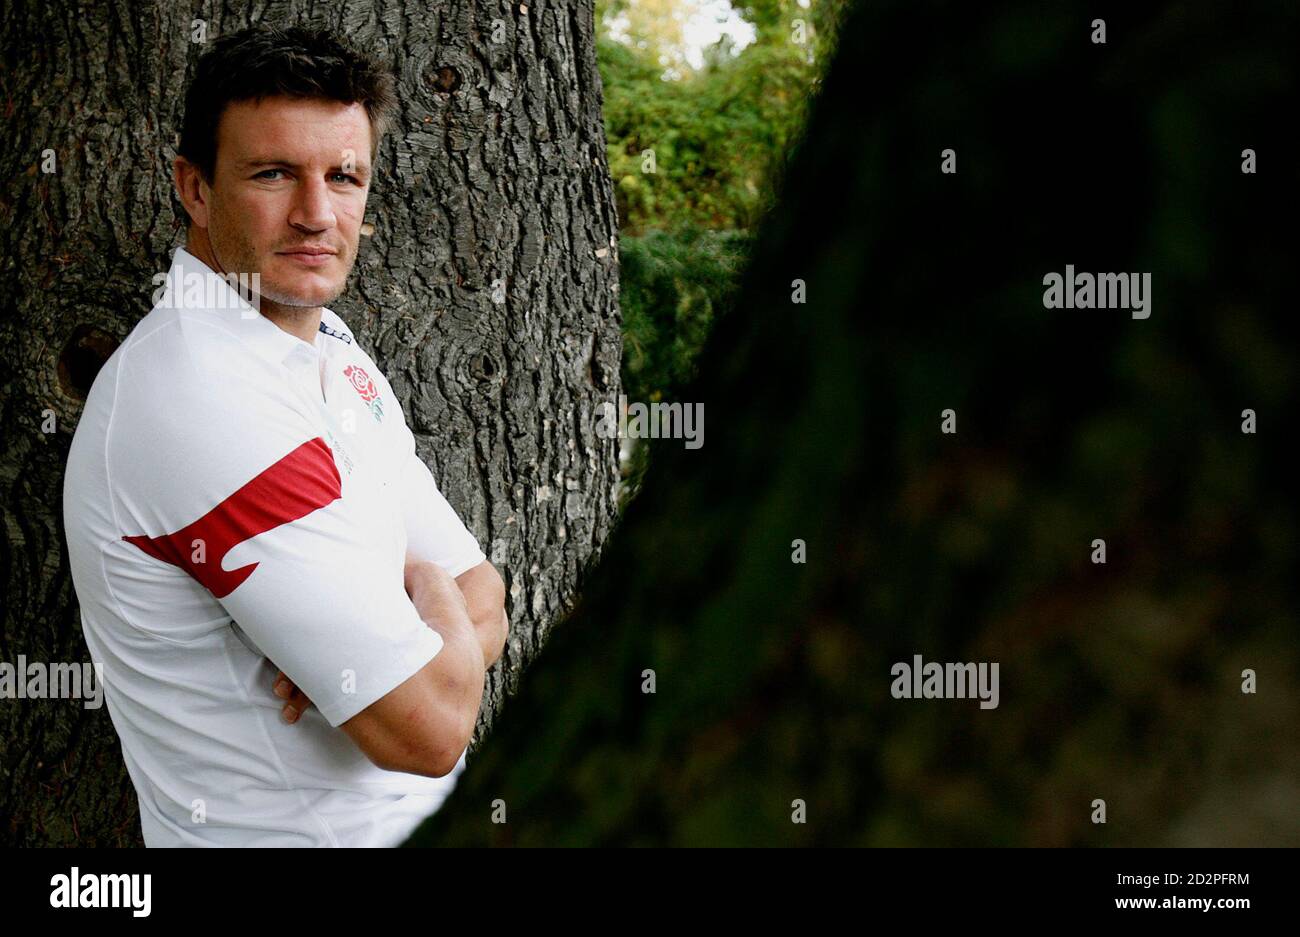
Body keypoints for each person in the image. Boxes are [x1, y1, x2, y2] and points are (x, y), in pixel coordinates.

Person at [61, 25, 508, 847]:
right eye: (273, 173)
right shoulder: (198, 397)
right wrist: (419, 613)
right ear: (193, 188)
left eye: (344, 177)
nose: (316, 214)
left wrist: (411, 629)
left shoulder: (327, 348)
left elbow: (487, 595)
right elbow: (432, 727)